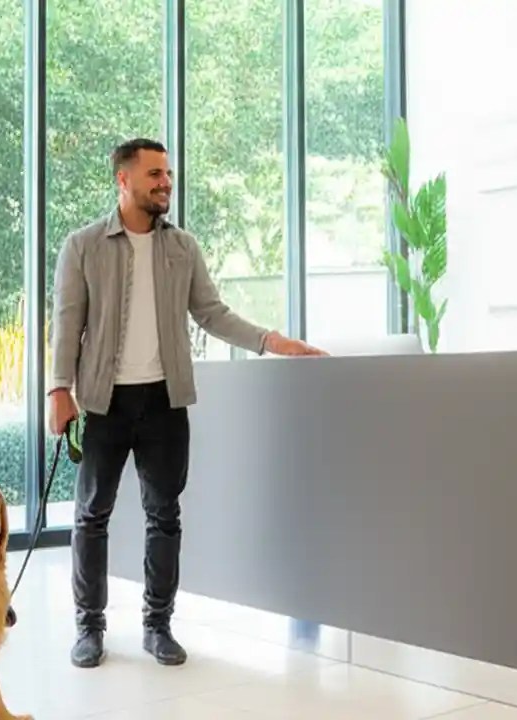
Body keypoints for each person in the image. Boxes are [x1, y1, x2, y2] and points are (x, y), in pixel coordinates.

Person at [47, 138, 326, 669]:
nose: (165, 183)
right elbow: (67, 325)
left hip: (165, 401)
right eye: (154, 174)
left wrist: (273, 341)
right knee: (91, 516)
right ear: (123, 181)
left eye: (168, 174)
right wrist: (58, 390)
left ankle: (158, 625)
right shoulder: (82, 246)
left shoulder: (182, 248)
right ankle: (89, 628)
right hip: (103, 403)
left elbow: (213, 313)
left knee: (165, 516)